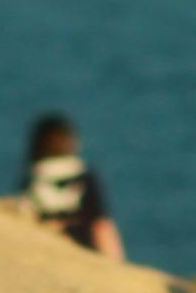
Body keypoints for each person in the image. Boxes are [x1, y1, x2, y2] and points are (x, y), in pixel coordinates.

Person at [19, 112, 125, 262]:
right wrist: (116, 263)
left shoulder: (34, 176)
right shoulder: (84, 175)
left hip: (47, 250)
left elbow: (26, 214)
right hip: (86, 250)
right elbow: (102, 225)